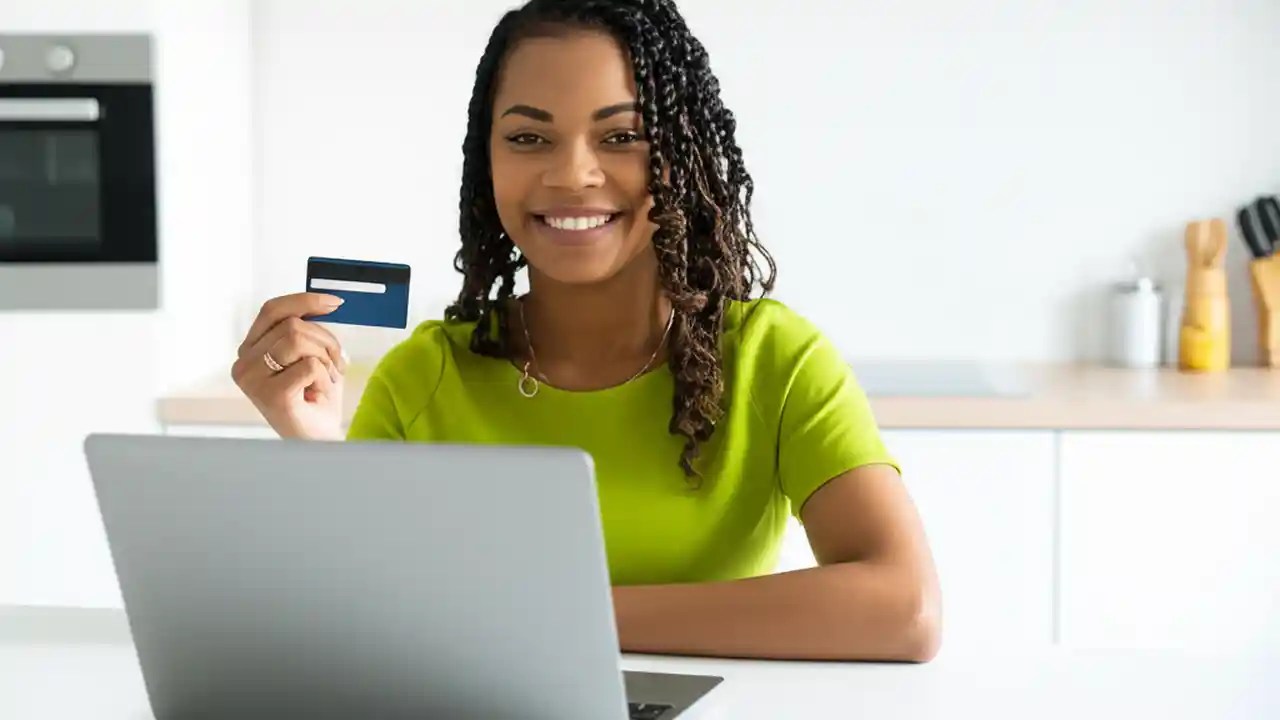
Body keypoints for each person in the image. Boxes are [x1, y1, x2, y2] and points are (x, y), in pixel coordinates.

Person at [231, 0, 940, 662]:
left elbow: (905, 608)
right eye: (529, 137)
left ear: (682, 155)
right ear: (487, 161)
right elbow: (376, 620)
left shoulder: (773, 361)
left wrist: (563, 618)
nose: (572, 173)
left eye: (622, 135)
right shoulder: (424, 377)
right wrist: (315, 449)